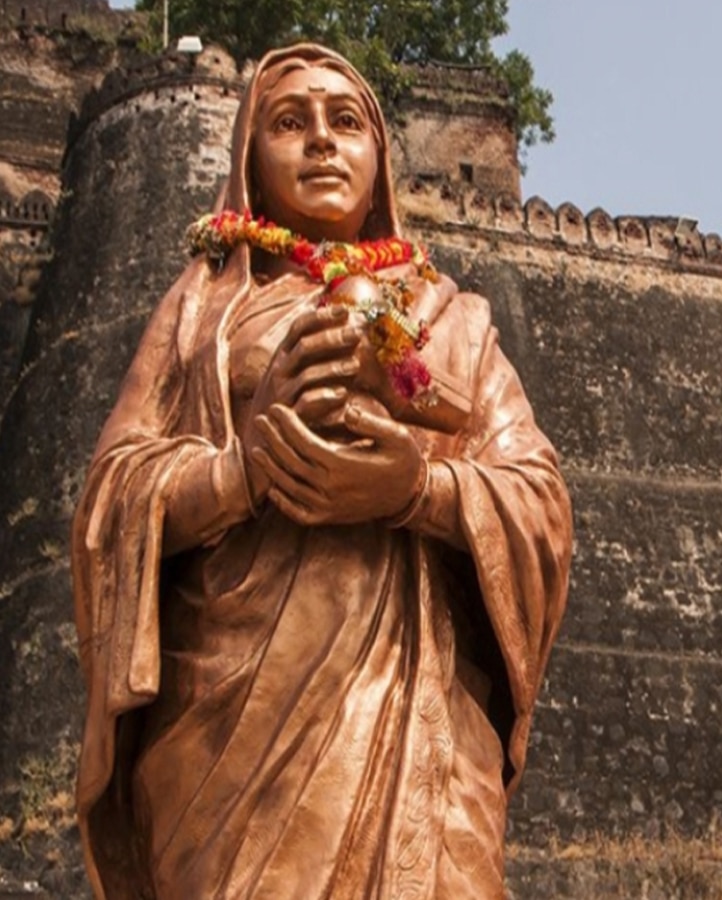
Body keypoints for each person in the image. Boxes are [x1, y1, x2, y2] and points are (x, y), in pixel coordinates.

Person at [71, 44, 571, 899]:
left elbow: (540, 502)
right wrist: (242, 470)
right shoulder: (200, 308)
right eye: (289, 122)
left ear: (380, 160)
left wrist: (419, 489)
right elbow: (110, 497)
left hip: (419, 726)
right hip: (226, 742)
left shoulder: (450, 318)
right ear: (248, 160)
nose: (321, 142)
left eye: (346, 121)